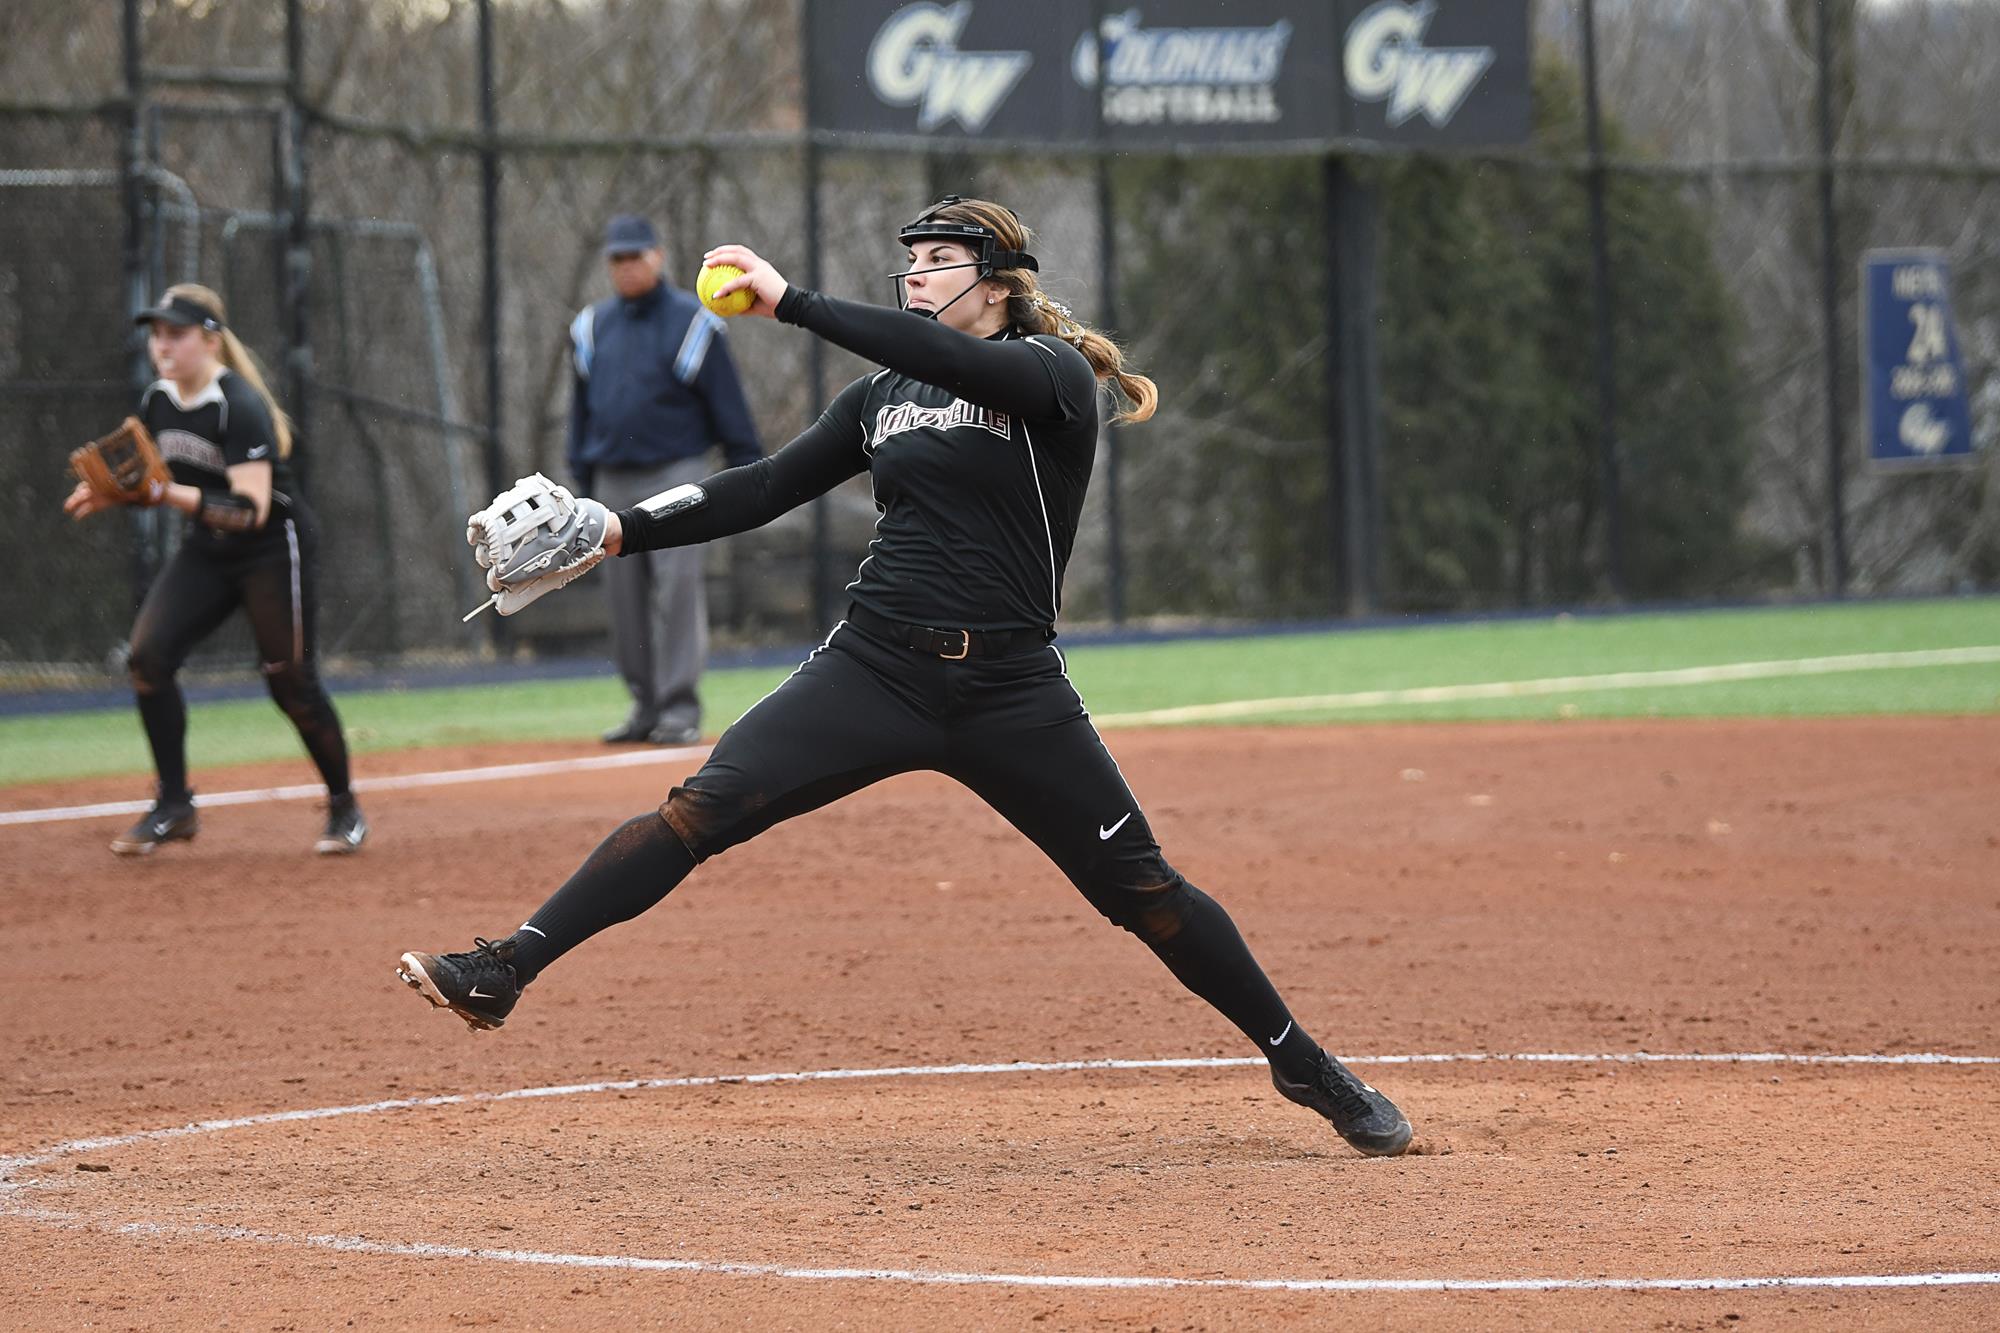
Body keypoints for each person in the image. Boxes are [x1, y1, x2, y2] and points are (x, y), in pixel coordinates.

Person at [400, 198, 1412, 1157]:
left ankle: (1302, 1062)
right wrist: (619, 530)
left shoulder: (1051, 374)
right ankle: (506, 967)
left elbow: (945, 356)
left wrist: (792, 302)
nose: (917, 276)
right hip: (875, 665)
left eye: (940, 262)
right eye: (912, 263)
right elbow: (763, 485)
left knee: (1144, 891)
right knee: (698, 809)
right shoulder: (882, 396)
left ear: (1000, 284)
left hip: (1011, 689)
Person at [63, 285, 367, 857]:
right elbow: (152, 483)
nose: (162, 345)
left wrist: (163, 495)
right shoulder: (157, 400)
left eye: (176, 334)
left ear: (210, 340)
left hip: (273, 548)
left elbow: (250, 510)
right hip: (210, 547)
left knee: (290, 683)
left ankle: (344, 806)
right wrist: (115, 494)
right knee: (148, 658)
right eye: (157, 335)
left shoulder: (238, 405)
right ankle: (174, 806)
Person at [569, 214, 763, 746]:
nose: (626, 266)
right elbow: (580, 413)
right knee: (624, 601)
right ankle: (645, 706)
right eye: (618, 257)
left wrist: (748, 469)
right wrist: (579, 479)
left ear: (657, 256)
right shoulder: (590, 326)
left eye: (635, 255)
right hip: (611, 476)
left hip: (677, 473)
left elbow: (728, 403)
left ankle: (679, 709)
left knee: (677, 593)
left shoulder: (694, 321)